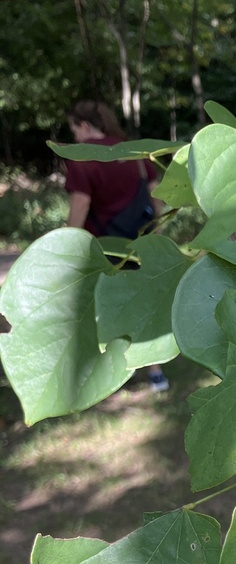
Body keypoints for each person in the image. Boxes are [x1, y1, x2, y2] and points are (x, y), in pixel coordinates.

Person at [64, 100, 169, 392]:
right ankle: (156, 372)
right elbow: (154, 194)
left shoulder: (82, 159)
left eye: (74, 130)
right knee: (144, 302)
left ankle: (114, 371)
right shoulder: (133, 151)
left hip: (103, 248)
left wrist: (67, 246)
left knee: (105, 308)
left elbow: (80, 206)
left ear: (84, 126)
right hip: (139, 242)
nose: (75, 138)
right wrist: (158, 232)